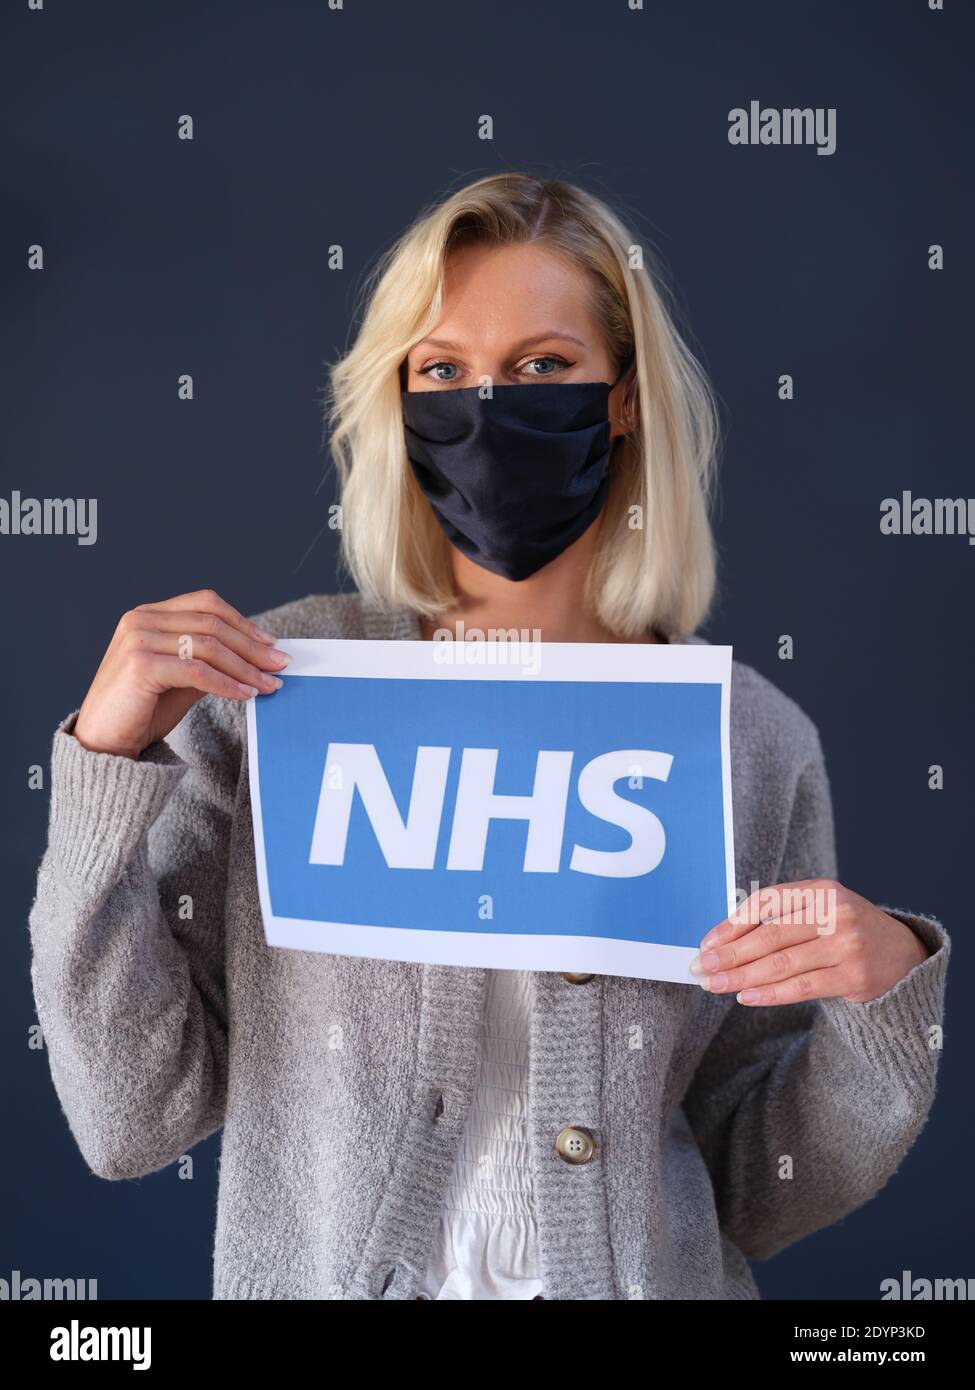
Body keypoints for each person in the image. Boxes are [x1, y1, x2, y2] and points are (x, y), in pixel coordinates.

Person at [28, 173, 950, 1301]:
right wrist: (104, 772)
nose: (490, 405)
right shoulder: (273, 693)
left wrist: (884, 1004)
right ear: (398, 398)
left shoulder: (747, 737)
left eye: (544, 366)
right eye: (444, 370)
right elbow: (131, 1118)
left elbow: (758, 1186)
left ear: (622, 396)